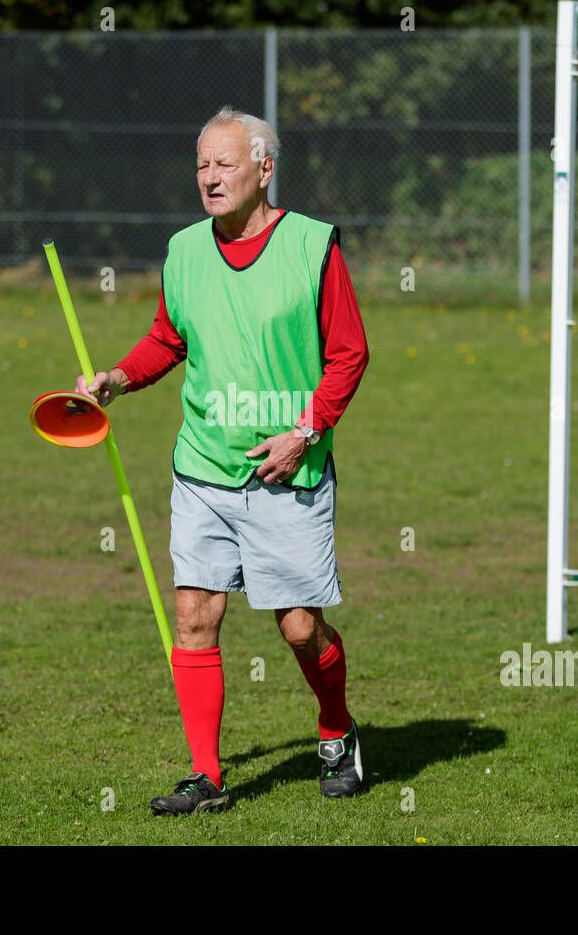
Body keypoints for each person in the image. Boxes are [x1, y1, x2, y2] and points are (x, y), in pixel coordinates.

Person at [75, 106, 369, 814]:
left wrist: (305, 431)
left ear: (264, 169)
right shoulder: (183, 251)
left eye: (225, 164)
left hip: (287, 471)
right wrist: (117, 378)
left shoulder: (312, 246)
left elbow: (349, 353)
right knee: (195, 617)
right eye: (202, 165)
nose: (209, 178)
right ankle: (206, 777)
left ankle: (336, 730)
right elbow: (167, 340)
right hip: (202, 467)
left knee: (300, 626)